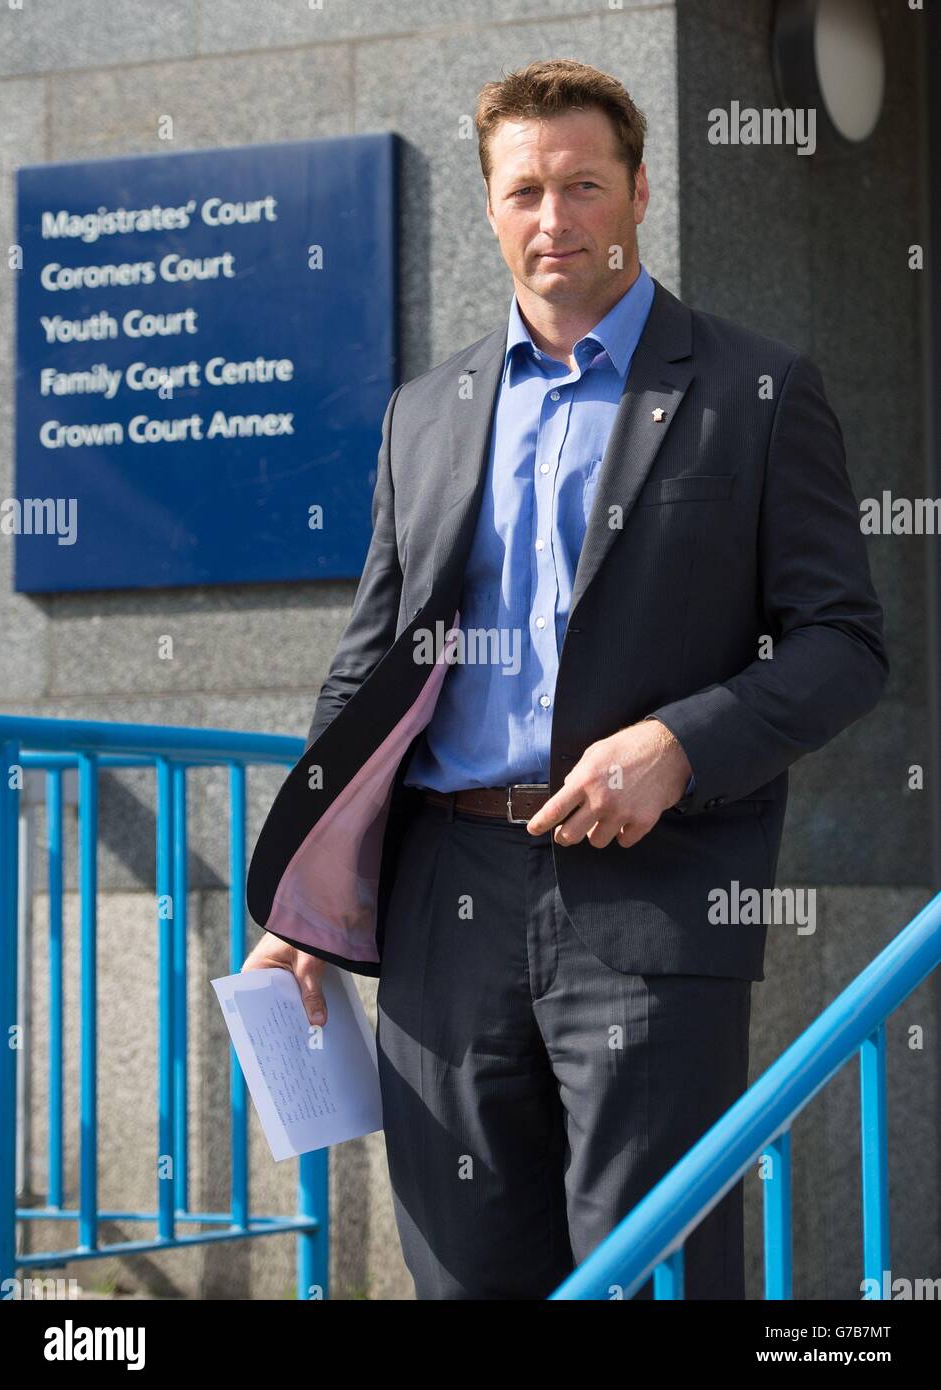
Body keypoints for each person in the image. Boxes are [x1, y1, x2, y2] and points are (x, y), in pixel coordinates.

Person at [244, 58, 888, 1300]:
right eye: (524, 190)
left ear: (639, 190)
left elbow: (842, 644)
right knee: (460, 1269)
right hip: (441, 898)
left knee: (651, 1265)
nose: (554, 220)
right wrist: (303, 901)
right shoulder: (422, 415)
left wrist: (680, 743)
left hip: (651, 895)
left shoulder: (756, 394)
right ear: (488, 207)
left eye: (583, 185)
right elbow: (371, 671)